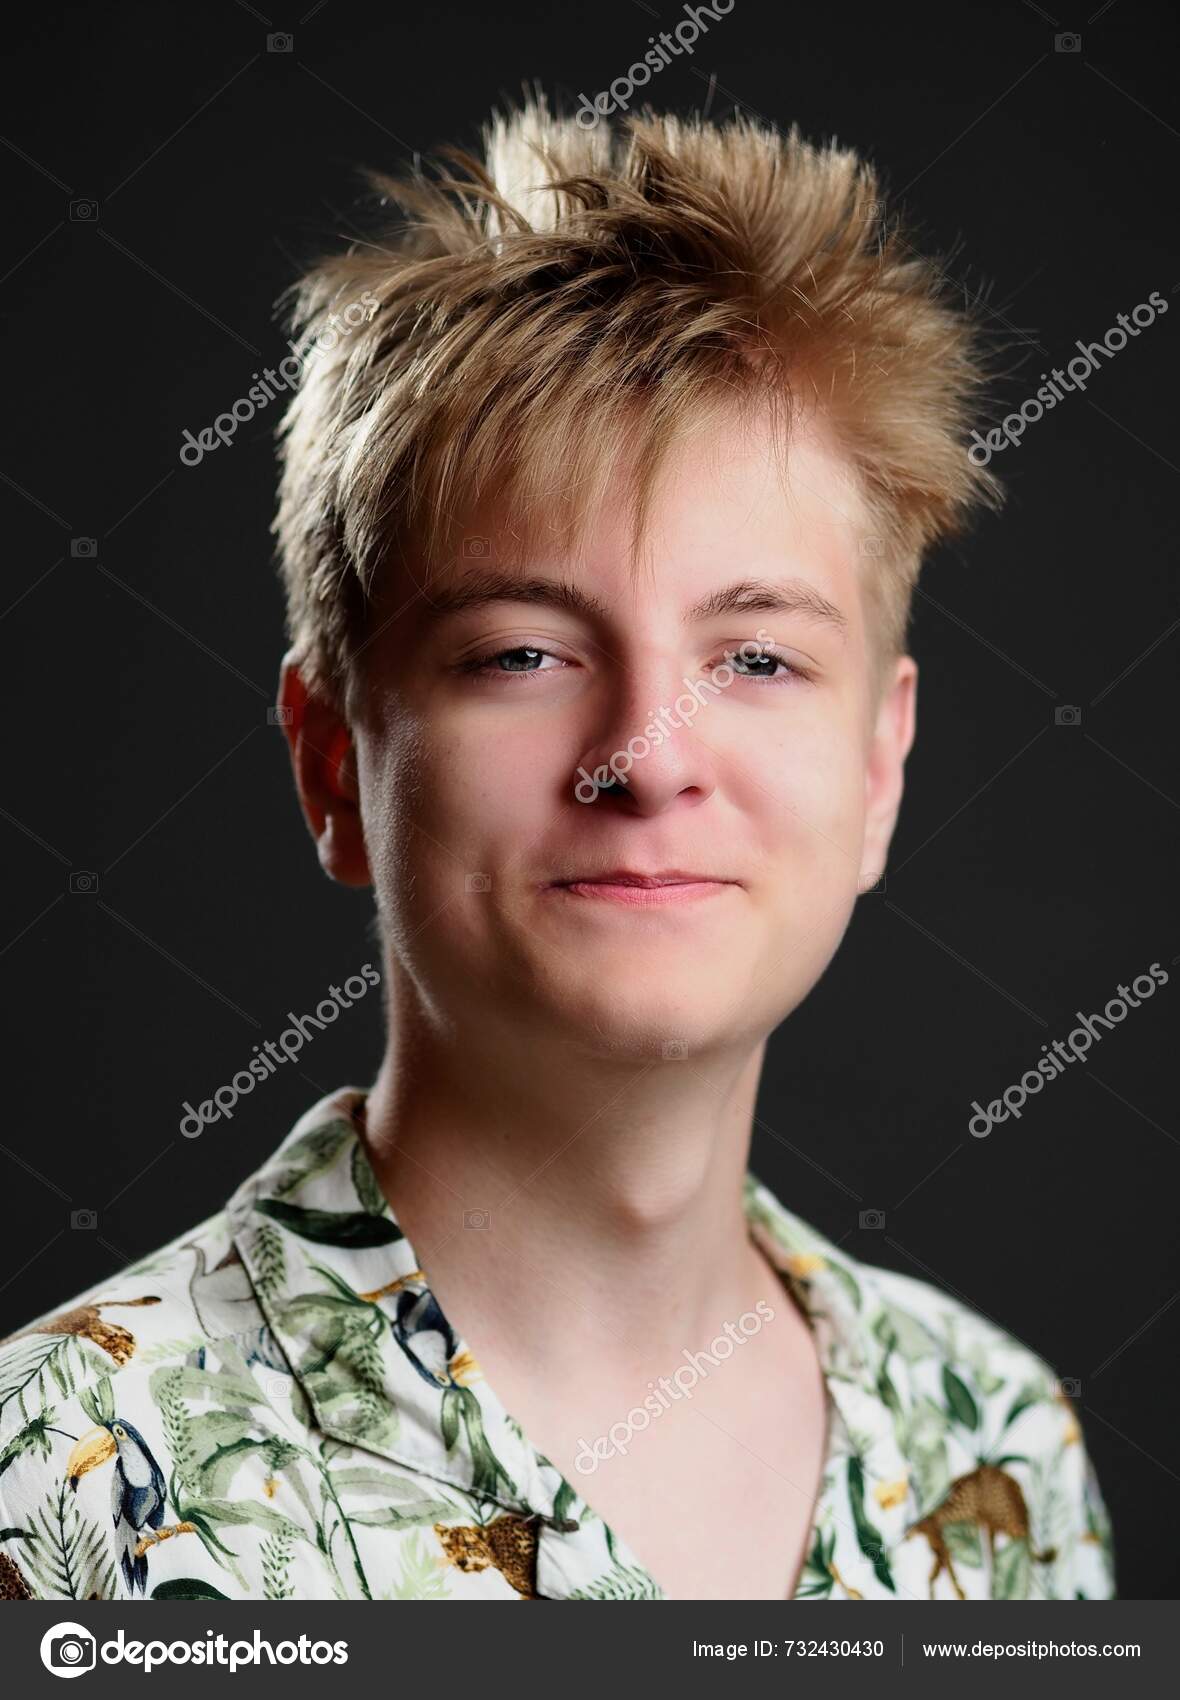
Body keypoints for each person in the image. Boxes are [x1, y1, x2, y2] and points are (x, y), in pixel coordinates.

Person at [0, 97, 1114, 1603]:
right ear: (334, 760)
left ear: (879, 766)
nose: (645, 756)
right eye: (522, 654)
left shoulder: (1002, 1447)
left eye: (760, 659)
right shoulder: (58, 1479)